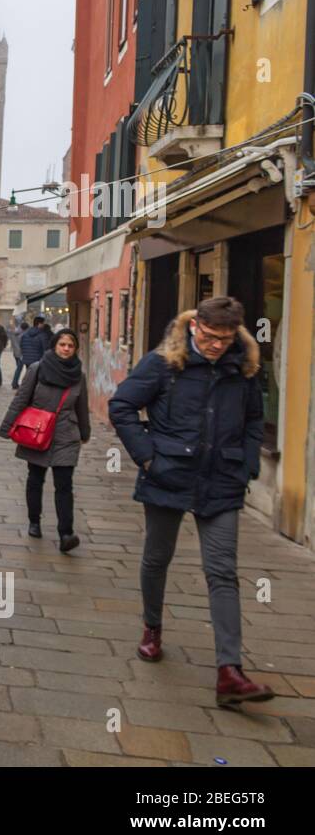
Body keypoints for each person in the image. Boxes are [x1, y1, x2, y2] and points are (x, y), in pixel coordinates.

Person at [108, 297, 273, 706]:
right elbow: (122, 406)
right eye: (213, 336)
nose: (218, 345)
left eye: (227, 337)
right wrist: (147, 457)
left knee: (222, 572)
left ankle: (229, 672)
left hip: (222, 482)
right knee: (156, 557)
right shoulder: (164, 363)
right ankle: (152, 628)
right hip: (168, 474)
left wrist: (247, 464)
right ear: (196, 327)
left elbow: (255, 419)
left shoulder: (244, 367)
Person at [0, 328, 90, 553]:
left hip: (66, 435)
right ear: (54, 346)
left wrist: (84, 433)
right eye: (62, 345)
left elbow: (82, 407)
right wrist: (7, 426)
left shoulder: (78, 376)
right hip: (37, 432)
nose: (66, 349)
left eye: (70, 346)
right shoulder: (37, 369)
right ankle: (34, 521)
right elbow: (21, 399)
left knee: (64, 485)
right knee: (36, 478)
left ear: (75, 349)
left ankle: (66, 533)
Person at [9, 317, 27, 389]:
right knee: (19, 369)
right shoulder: (23, 335)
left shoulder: (13, 333)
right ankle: (14, 383)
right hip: (21, 354)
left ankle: (15, 382)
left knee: (18, 369)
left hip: (15, 353)